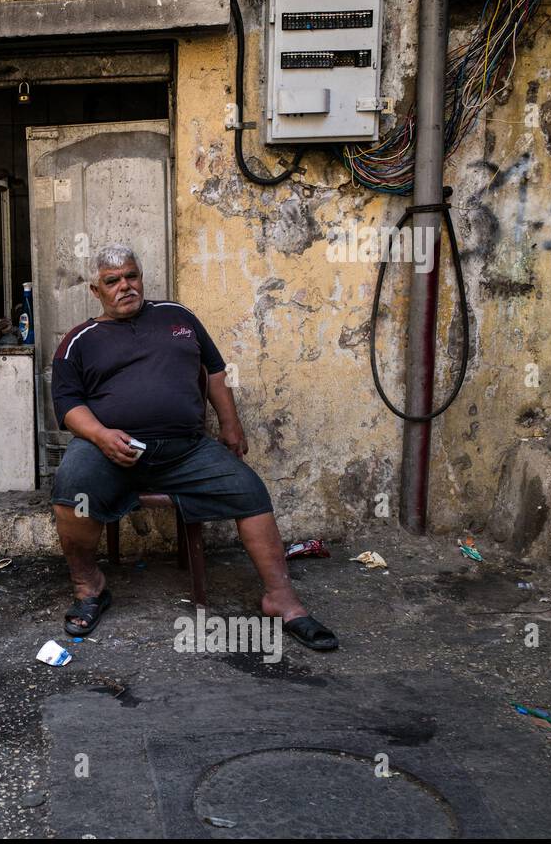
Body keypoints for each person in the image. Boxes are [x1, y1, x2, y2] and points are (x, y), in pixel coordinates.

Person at [49, 245, 339, 650]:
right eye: (112, 281)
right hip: (108, 450)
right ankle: (88, 587)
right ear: (97, 291)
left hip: (186, 449)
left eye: (131, 276)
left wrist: (231, 425)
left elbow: (215, 371)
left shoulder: (177, 317)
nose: (125, 286)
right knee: (71, 490)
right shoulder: (80, 339)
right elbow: (67, 405)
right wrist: (100, 436)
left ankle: (282, 599)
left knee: (248, 489)